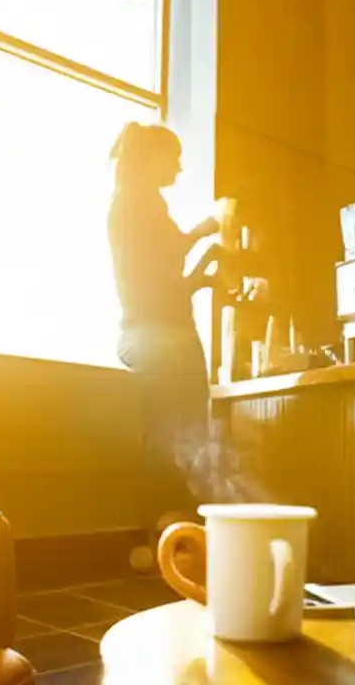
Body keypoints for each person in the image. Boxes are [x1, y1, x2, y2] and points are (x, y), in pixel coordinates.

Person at [106, 122, 225, 566]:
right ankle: (167, 541)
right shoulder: (138, 204)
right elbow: (159, 281)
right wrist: (204, 259)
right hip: (160, 336)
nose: (179, 165)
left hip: (148, 333)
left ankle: (161, 539)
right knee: (179, 435)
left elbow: (163, 263)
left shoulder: (136, 203)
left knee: (166, 434)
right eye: (172, 156)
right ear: (152, 156)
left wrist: (203, 256)